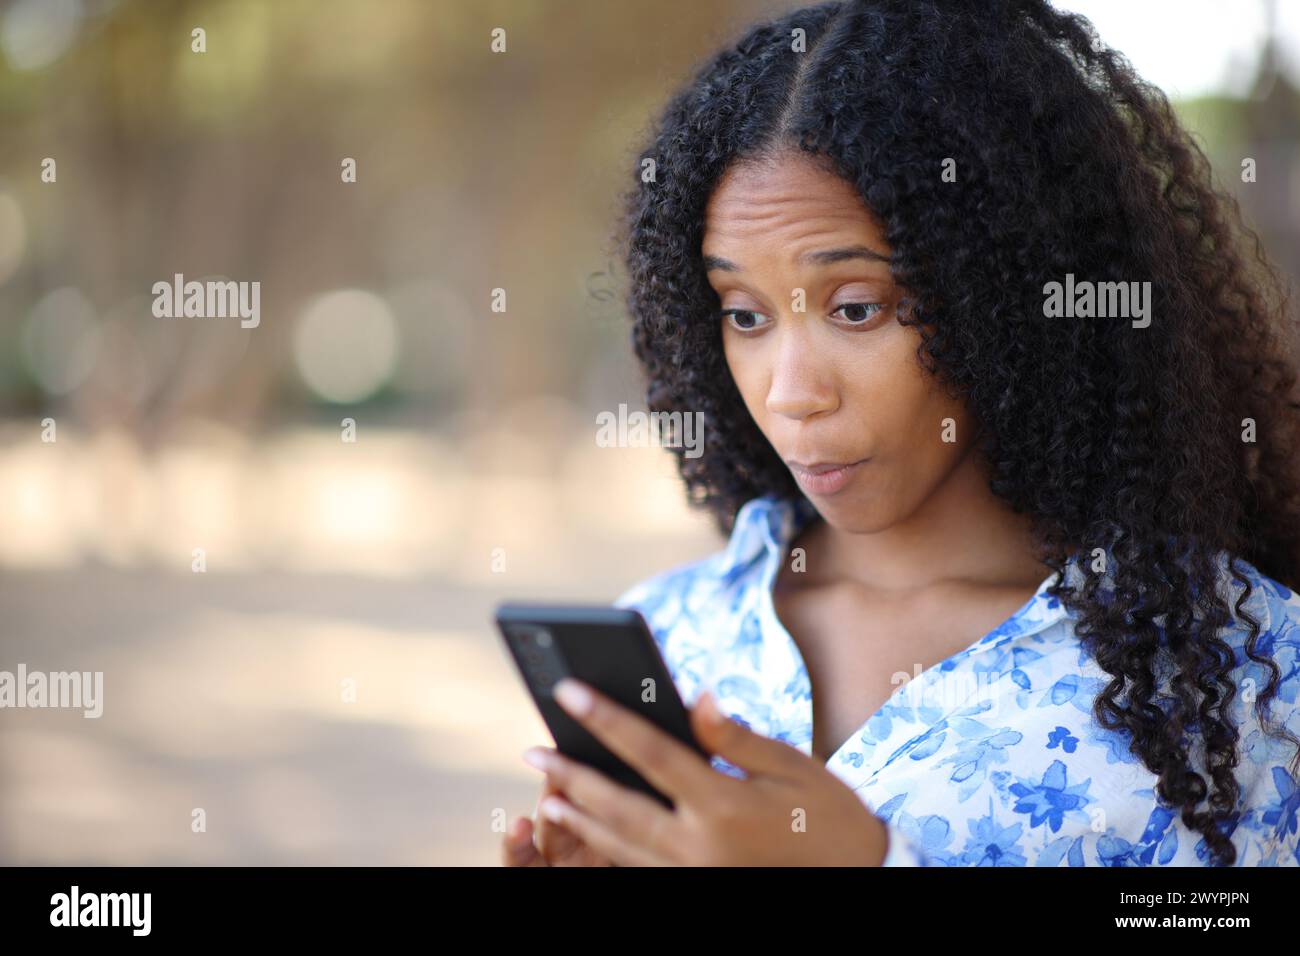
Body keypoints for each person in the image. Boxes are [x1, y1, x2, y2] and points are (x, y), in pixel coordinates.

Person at [501, 0, 1300, 866]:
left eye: (857, 307)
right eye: (744, 314)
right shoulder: (665, 635)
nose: (792, 394)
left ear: (1009, 292)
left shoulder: (1252, 681)